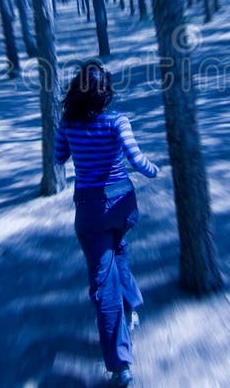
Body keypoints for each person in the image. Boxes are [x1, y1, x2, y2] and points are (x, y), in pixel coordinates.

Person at [55, 59, 160, 387]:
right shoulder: (118, 122)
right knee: (118, 250)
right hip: (123, 205)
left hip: (91, 210)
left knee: (103, 286)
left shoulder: (68, 125)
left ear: (76, 93)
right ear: (105, 94)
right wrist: (154, 169)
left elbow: (58, 158)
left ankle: (119, 365)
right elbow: (136, 158)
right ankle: (133, 305)